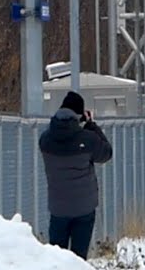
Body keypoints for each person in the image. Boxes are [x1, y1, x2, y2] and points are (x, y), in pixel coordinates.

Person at [38, 91, 113, 259]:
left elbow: (59, 132)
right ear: (79, 115)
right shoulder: (88, 139)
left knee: (57, 258)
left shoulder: (45, 140)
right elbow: (106, 153)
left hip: (58, 208)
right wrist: (91, 125)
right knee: (79, 259)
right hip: (84, 208)